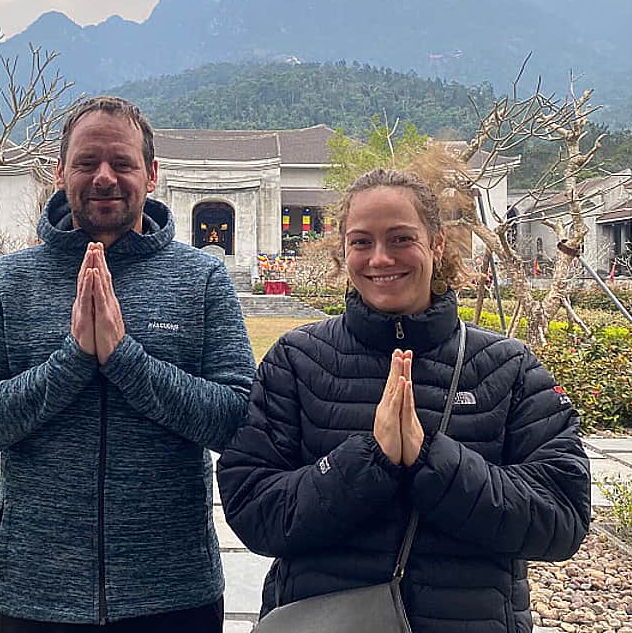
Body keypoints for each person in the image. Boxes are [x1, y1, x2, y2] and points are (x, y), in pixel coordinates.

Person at [0, 96, 256, 633]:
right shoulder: (9, 282)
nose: (104, 177)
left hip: (173, 593)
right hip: (33, 593)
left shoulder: (200, 279)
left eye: (122, 162)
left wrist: (126, 360)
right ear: (60, 172)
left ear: (151, 174)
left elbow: (238, 422)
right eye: (86, 163)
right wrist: (73, 361)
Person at [216, 167, 591, 632]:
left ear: (435, 243)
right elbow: (255, 509)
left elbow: (562, 518)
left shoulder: (506, 367)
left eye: (400, 239)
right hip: (324, 619)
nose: (379, 258)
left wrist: (432, 457)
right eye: (361, 242)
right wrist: (368, 460)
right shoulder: (297, 361)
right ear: (343, 250)